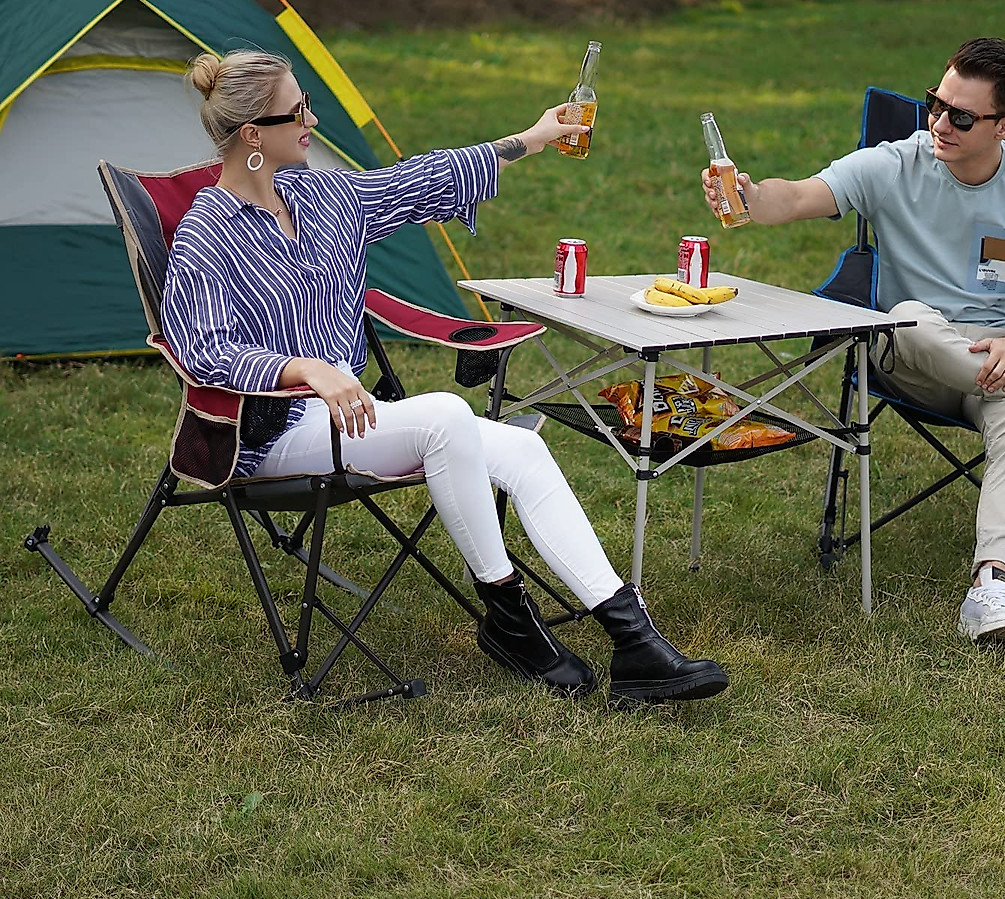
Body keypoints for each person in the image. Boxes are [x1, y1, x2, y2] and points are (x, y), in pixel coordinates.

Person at [162, 48, 729, 706]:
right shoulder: (207, 233)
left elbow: (417, 181)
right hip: (269, 434)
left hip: (351, 418)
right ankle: (509, 616)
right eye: (298, 111)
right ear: (253, 136)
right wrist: (301, 368)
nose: (312, 120)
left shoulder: (320, 197)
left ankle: (634, 642)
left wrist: (533, 138)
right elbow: (200, 349)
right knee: (446, 416)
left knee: (523, 450)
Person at [702, 37, 1005, 647]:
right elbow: (793, 196)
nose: (940, 124)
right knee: (910, 319)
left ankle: (991, 586)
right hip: (913, 356)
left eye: (962, 117)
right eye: (936, 104)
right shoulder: (892, 165)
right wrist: (750, 196)